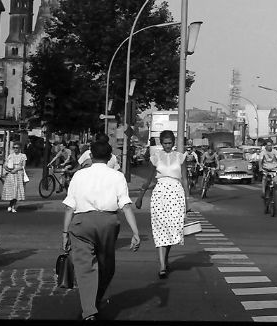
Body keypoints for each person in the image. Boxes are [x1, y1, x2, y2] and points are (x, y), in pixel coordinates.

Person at [62, 141, 141, 321]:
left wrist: (65, 232)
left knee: (84, 267)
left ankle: (89, 309)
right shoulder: (117, 176)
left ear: (90, 155)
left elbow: (69, 207)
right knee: (106, 265)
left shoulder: (79, 176)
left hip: (81, 223)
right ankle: (94, 301)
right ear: (110, 157)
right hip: (108, 222)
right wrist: (135, 232)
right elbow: (126, 205)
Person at [136, 130, 186, 279]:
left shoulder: (180, 157)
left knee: (172, 229)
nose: (167, 146)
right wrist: (140, 197)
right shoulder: (155, 157)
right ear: (161, 143)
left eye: (170, 143)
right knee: (160, 229)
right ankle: (162, 266)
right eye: (165, 143)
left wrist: (188, 201)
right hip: (160, 195)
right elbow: (149, 179)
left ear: (174, 142)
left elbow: (184, 180)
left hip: (176, 194)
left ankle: (165, 257)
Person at [2, 142, 27, 213]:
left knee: (17, 190)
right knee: (11, 190)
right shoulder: (10, 155)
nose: (15, 149)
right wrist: (8, 169)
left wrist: (16, 169)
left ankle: (13, 206)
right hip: (11, 174)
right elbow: (5, 165)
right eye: (14, 148)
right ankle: (10, 205)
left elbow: (23, 166)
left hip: (18, 174)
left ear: (20, 148)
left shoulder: (23, 156)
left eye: (17, 148)